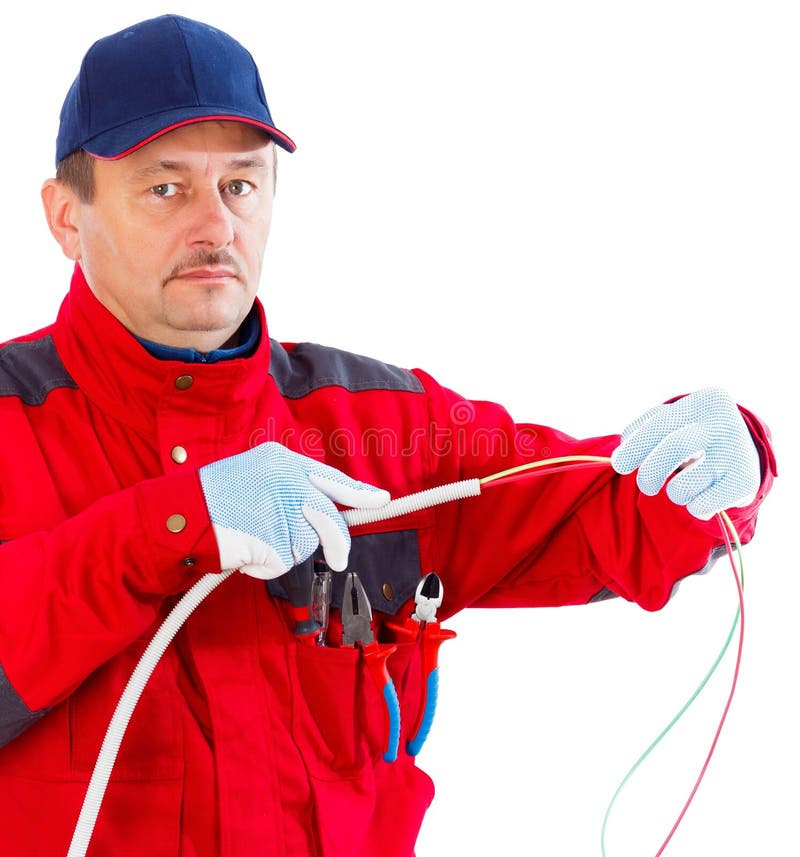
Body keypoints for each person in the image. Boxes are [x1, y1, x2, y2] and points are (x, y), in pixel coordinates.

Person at [0, 13, 776, 857]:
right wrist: (171, 528)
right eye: (165, 186)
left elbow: (600, 509)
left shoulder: (381, 426)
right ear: (66, 218)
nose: (216, 227)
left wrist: (726, 460)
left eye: (241, 186)